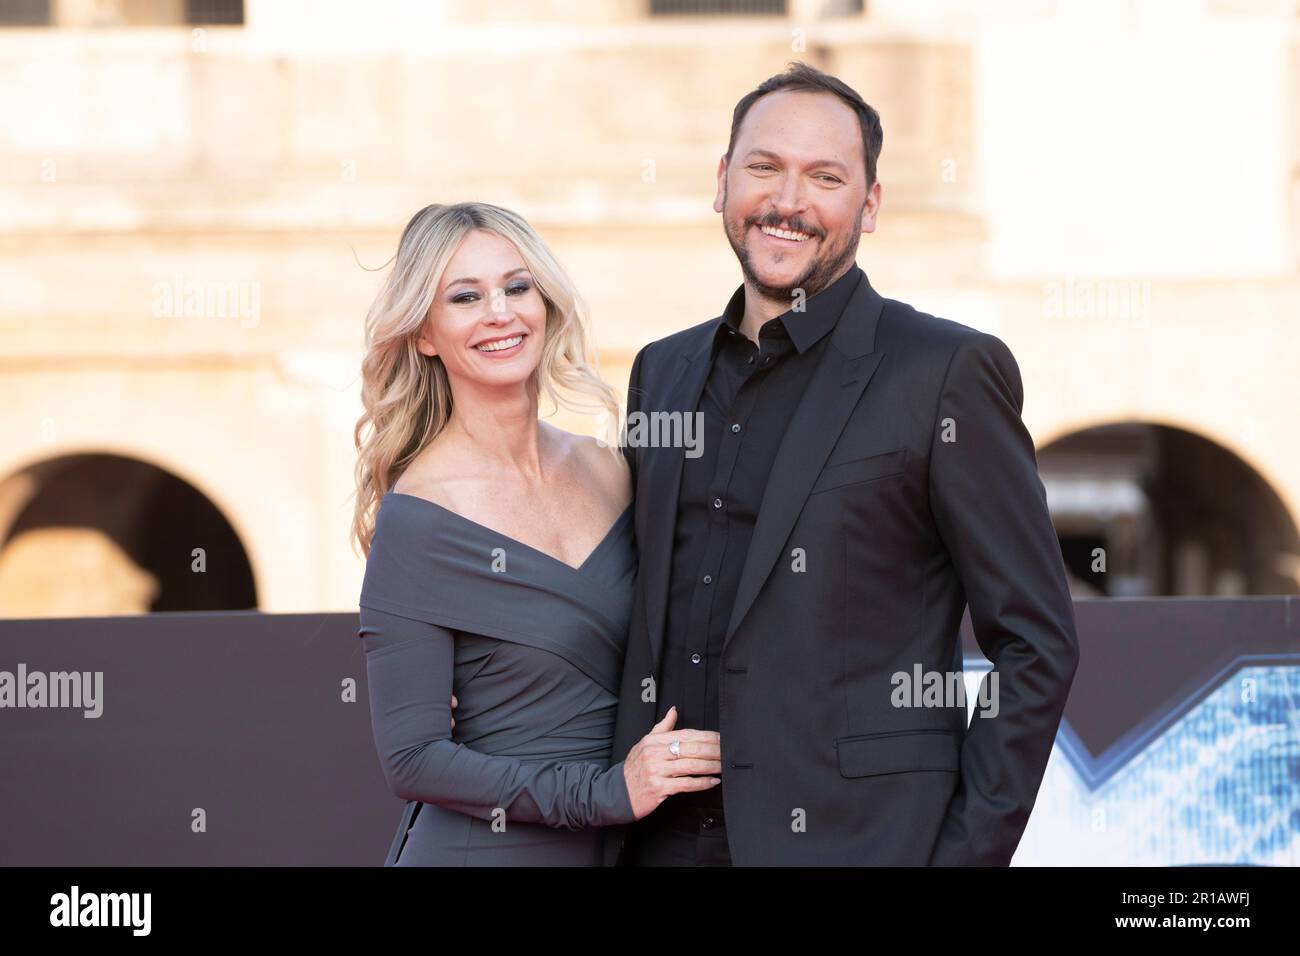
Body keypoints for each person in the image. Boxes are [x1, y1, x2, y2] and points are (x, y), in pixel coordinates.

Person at [605, 62, 1080, 866]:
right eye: (765, 167)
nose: (789, 202)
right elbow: (630, 594)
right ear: (723, 181)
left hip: (855, 843)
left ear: (869, 204)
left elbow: (1035, 643)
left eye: (825, 177)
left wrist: (963, 857)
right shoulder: (662, 370)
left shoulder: (945, 372)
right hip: (654, 840)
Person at [351, 202, 721, 865]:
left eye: (517, 287)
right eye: (465, 297)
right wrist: (607, 794)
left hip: (627, 848)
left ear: (544, 303)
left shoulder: (608, 470)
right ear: (425, 334)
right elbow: (412, 760)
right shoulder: (420, 516)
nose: (500, 312)